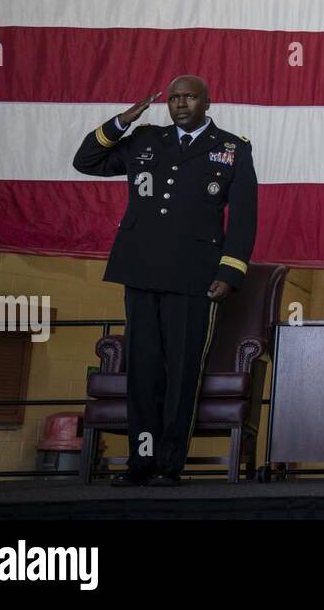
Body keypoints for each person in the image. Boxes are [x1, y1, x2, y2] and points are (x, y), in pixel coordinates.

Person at [72, 75, 256, 486]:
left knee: (182, 372)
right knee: (142, 370)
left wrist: (229, 272)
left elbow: (243, 219)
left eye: (189, 97)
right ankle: (141, 461)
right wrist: (123, 121)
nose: (180, 104)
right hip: (140, 269)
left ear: (208, 101)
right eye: (174, 98)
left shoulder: (231, 149)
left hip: (195, 276)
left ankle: (170, 465)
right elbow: (86, 161)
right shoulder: (144, 139)